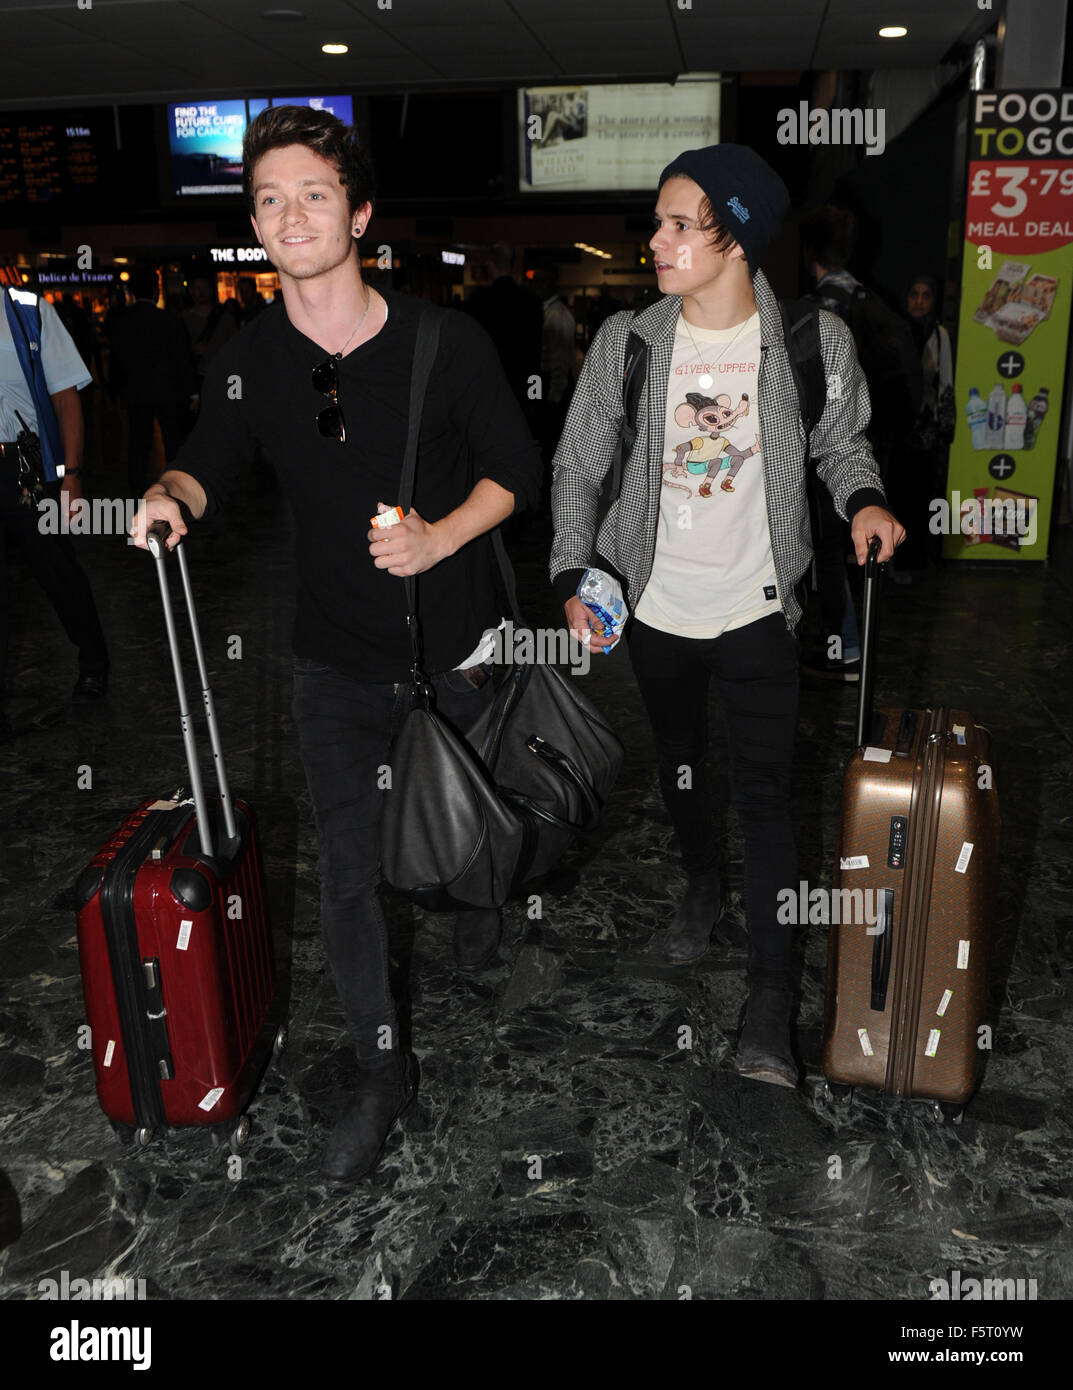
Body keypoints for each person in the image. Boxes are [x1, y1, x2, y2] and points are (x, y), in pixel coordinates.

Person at [130, 105, 542, 1182]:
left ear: (358, 212)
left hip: (450, 642)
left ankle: (474, 900)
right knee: (350, 875)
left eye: (313, 192)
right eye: (268, 198)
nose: (289, 214)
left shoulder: (442, 343)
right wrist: (171, 493)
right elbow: (211, 452)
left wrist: (438, 536)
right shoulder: (255, 358)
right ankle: (380, 1074)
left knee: (463, 836)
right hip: (332, 659)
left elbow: (517, 468)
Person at [550, 144, 905, 1088]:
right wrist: (574, 573)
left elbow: (843, 443)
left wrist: (863, 498)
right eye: (658, 223)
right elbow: (578, 466)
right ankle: (701, 878)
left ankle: (766, 1004)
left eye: (679, 225)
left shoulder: (806, 343)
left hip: (756, 612)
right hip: (655, 610)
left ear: (735, 237)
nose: (656, 242)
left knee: (767, 799)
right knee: (682, 771)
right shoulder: (629, 342)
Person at [1, 281, 110, 740]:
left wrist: (73, 474)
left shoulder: (27, 311)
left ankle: (93, 661)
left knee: (57, 570)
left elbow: (67, 398)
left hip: (26, 468)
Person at [108, 267, 195, 496]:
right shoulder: (169, 319)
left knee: (138, 442)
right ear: (155, 291)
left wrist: (114, 392)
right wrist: (192, 392)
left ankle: (136, 488)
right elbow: (182, 359)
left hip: (136, 392)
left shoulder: (122, 321)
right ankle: (175, 488)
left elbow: (116, 360)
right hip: (168, 391)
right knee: (173, 441)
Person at [899, 273, 954, 571]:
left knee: (923, 497)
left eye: (926, 295)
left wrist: (945, 427)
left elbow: (945, 381)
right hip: (898, 429)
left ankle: (920, 560)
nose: (919, 302)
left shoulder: (939, 335)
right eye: (914, 294)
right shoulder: (895, 330)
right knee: (898, 495)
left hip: (927, 430)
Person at [463, 244, 543, 416]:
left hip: (489, 387)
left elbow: (469, 349)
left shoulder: (479, 301)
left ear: (491, 265)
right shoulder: (532, 302)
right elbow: (536, 350)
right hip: (523, 385)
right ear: (513, 265)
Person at [182, 273, 239, 397]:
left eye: (204, 288)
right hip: (197, 378)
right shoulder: (184, 319)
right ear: (191, 291)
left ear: (211, 291)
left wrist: (235, 389)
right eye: (197, 288)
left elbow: (237, 349)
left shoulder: (225, 318)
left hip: (223, 376)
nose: (201, 292)